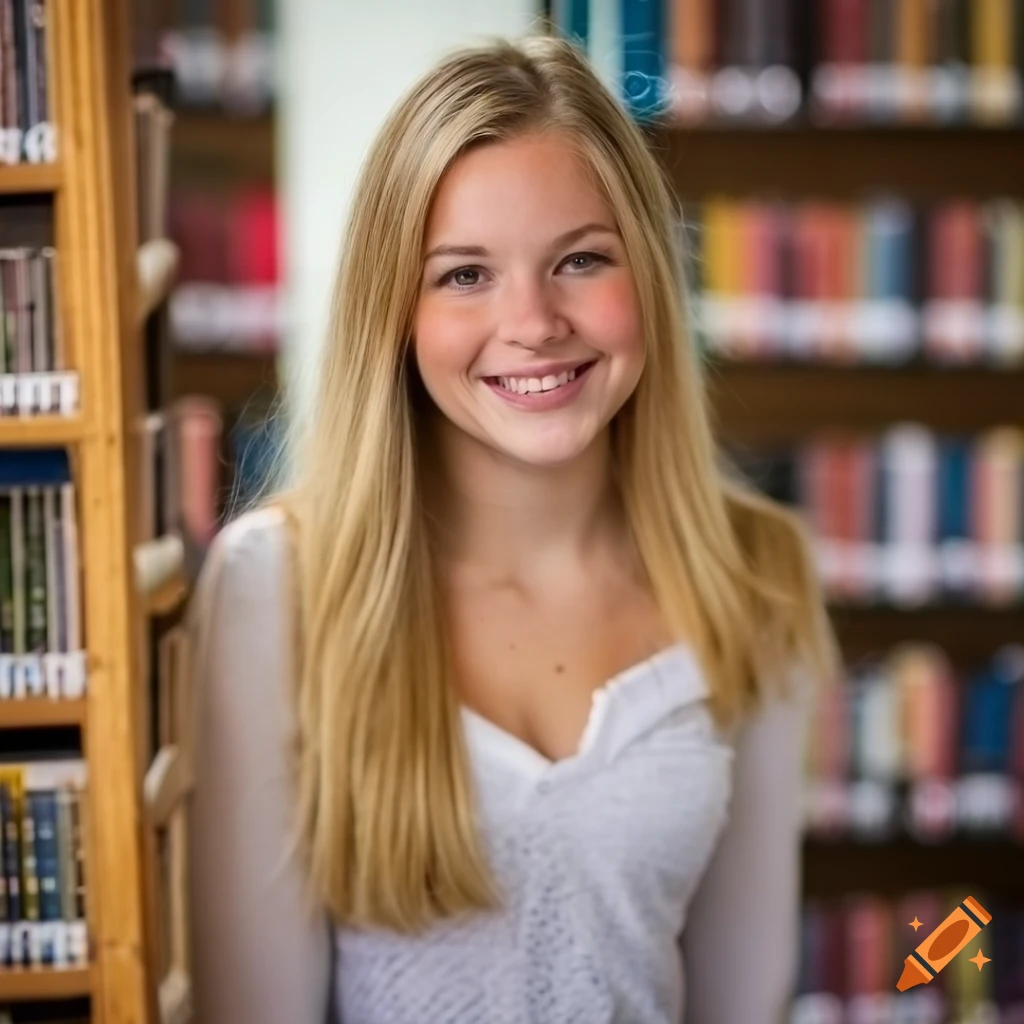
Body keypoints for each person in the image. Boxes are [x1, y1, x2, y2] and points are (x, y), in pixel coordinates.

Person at [187, 33, 839, 1024]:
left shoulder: (755, 573)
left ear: (649, 282)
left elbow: (742, 999)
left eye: (580, 259)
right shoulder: (273, 583)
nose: (532, 321)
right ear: (393, 313)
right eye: (463, 274)